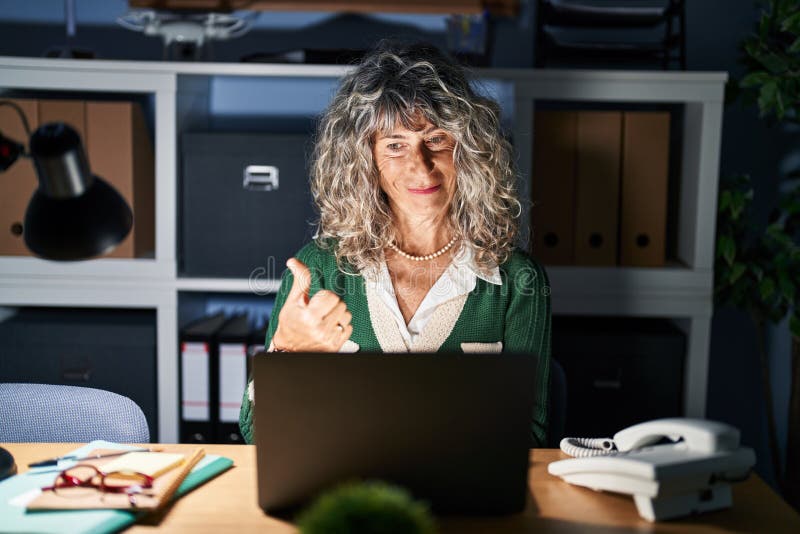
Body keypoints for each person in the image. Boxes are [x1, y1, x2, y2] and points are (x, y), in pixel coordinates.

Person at [239, 41, 551, 446]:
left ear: (470, 150)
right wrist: (285, 352)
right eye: (395, 145)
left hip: (461, 503)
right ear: (364, 158)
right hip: (347, 495)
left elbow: (531, 437)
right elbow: (255, 433)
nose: (419, 166)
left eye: (437, 139)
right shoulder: (317, 269)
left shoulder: (518, 280)